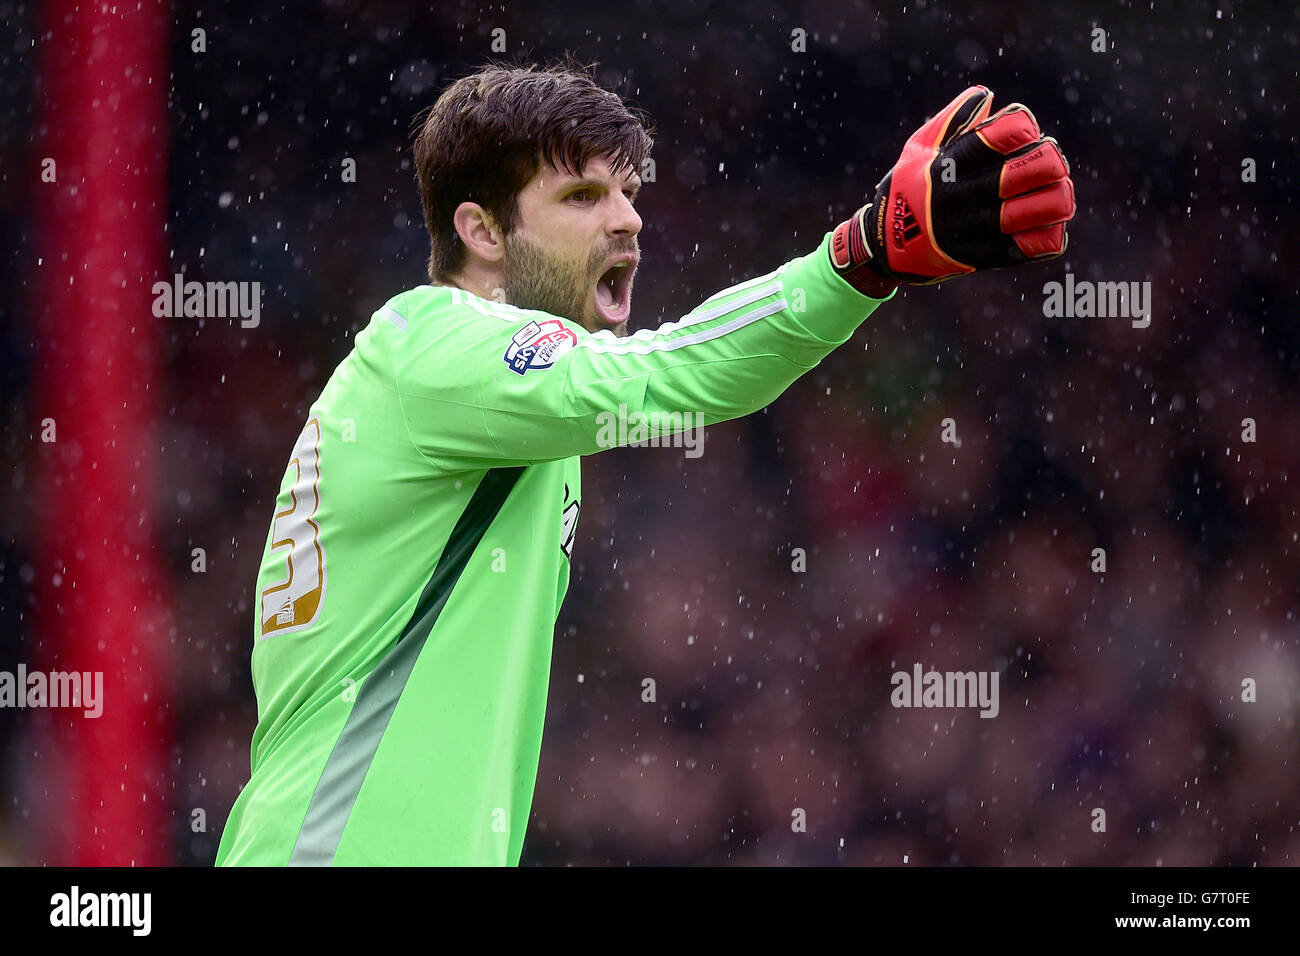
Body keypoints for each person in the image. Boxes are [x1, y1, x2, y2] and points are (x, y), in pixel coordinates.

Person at [216, 62, 1074, 865]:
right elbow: (674, 372)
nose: (627, 218)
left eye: (629, 193)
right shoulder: (439, 342)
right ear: (481, 230)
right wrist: (857, 257)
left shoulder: (464, 396)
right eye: (583, 195)